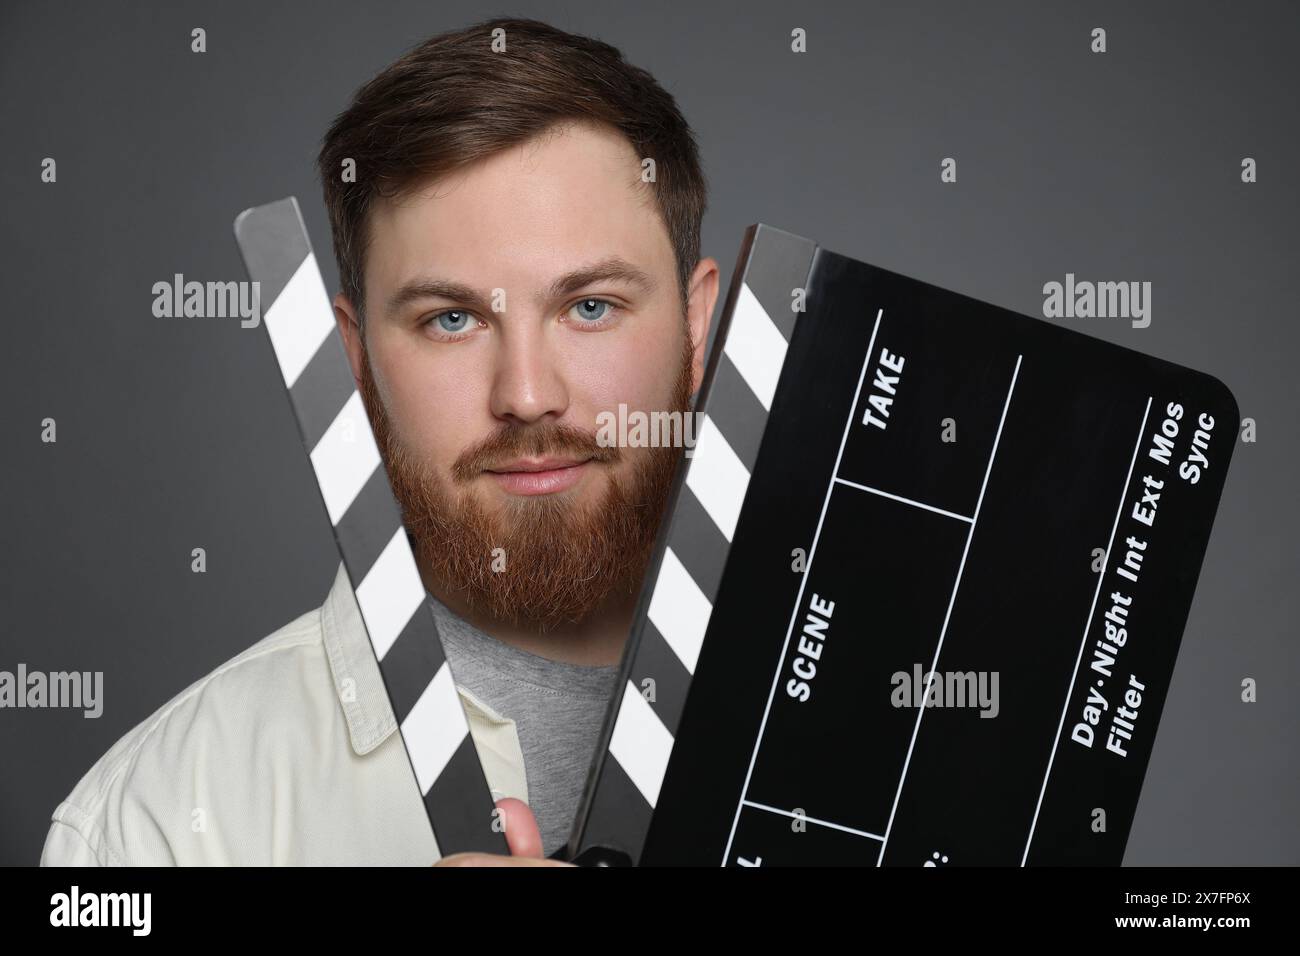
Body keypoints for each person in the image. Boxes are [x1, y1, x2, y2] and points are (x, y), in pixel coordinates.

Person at [39, 15, 718, 866]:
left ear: (698, 327)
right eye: (452, 319)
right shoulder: (151, 826)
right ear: (354, 361)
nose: (529, 397)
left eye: (590, 307)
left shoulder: (898, 731)